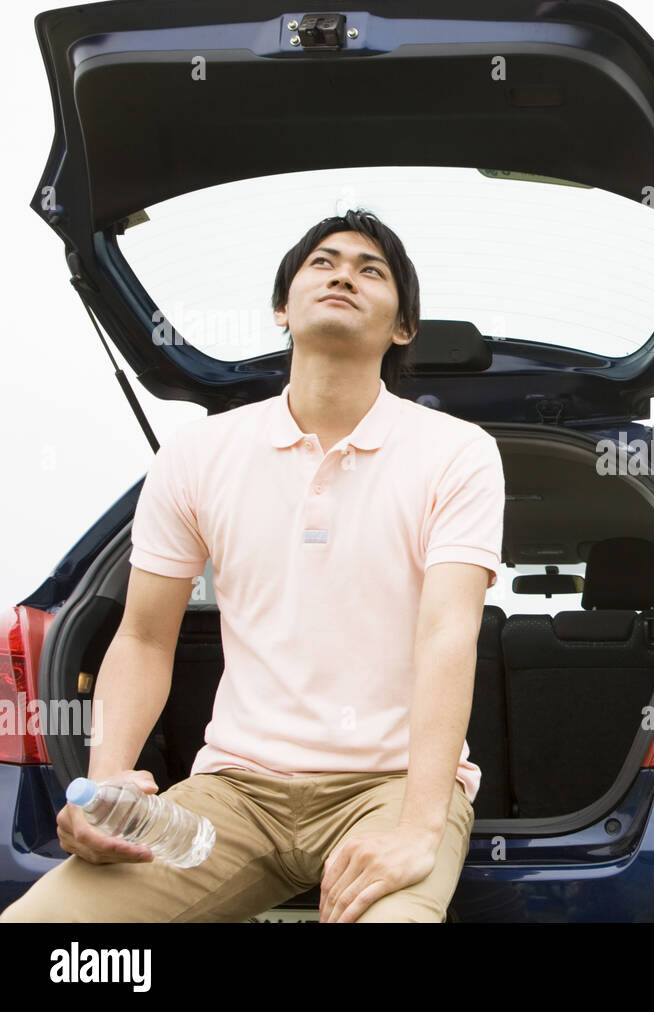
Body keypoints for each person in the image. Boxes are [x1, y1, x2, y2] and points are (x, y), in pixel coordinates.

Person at [0, 208, 505, 923]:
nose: (343, 276)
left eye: (372, 270)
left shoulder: (457, 452)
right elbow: (144, 636)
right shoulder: (198, 454)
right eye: (322, 263)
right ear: (282, 307)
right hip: (234, 792)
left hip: (391, 787)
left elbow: (448, 634)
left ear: (403, 327)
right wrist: (106, 784)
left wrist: (420, 826)